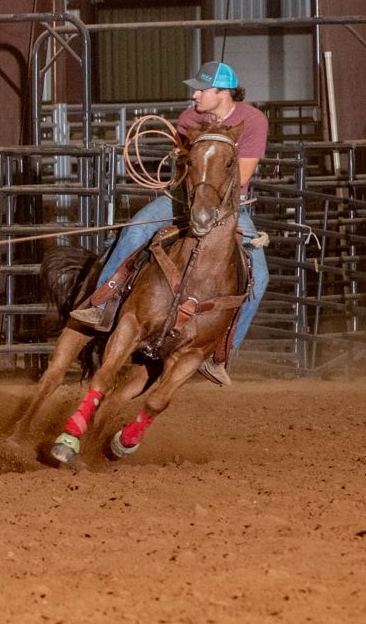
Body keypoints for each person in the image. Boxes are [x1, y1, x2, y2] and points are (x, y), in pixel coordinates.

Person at [68, 60, 270, 387]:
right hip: (180, 198)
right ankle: (101, 303)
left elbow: (242, 176)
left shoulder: (252, 121)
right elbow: (183, 170)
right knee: (134, 230)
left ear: (222, 92)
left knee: (259, 277)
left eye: (201, 90)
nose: (195, 97)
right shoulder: (190, 120)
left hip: (230, 206)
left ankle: (222, 353)